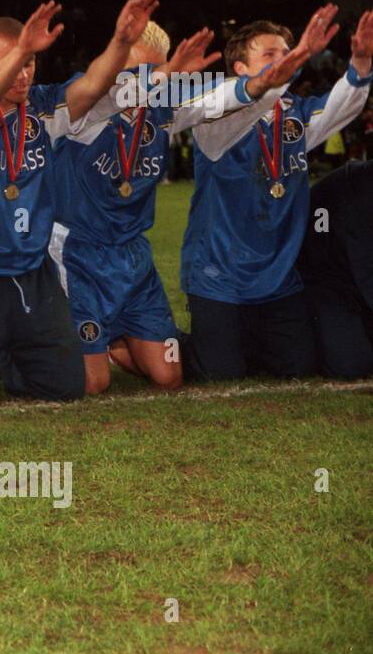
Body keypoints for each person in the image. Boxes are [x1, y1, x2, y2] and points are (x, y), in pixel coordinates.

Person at [48, 23, 313, 393]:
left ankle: (114, 343)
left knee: (169, 376)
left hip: (132, 254)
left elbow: (216, 99)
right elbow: (121, 92)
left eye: (155, 70)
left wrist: (260, 83)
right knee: (92, 384)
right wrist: (167, 76)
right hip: (77, 251)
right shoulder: (85, 106)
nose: (150, 80)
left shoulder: (163, 111)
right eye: (138, 71)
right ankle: (51, 346)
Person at [0, 0, 162, 404]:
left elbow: (92, 85)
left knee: (65, 387)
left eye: (30, 64)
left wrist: (121, 43)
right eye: (12, 65)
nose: (22, 75)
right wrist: (21, 48)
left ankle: (7, 351)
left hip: (31, 272)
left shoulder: (44, 108)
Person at [180, 7, 373, 381]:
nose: (282, 61)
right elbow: (239, 105)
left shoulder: (295, 118)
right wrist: (301, 55)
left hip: (278, 278)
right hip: (219, 277)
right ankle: (185, 344)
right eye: (270, 54)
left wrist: (361, 65)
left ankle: (237, 341)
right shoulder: (215, 119)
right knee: (220, 375)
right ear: (240, 68)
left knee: (297, 368)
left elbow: (338, 109)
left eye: (286, 53)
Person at [298, 159, 373, 379]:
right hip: (328, 281)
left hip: (357, 277)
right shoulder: (357, 190)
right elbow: (364, 268)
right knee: (350, 365)